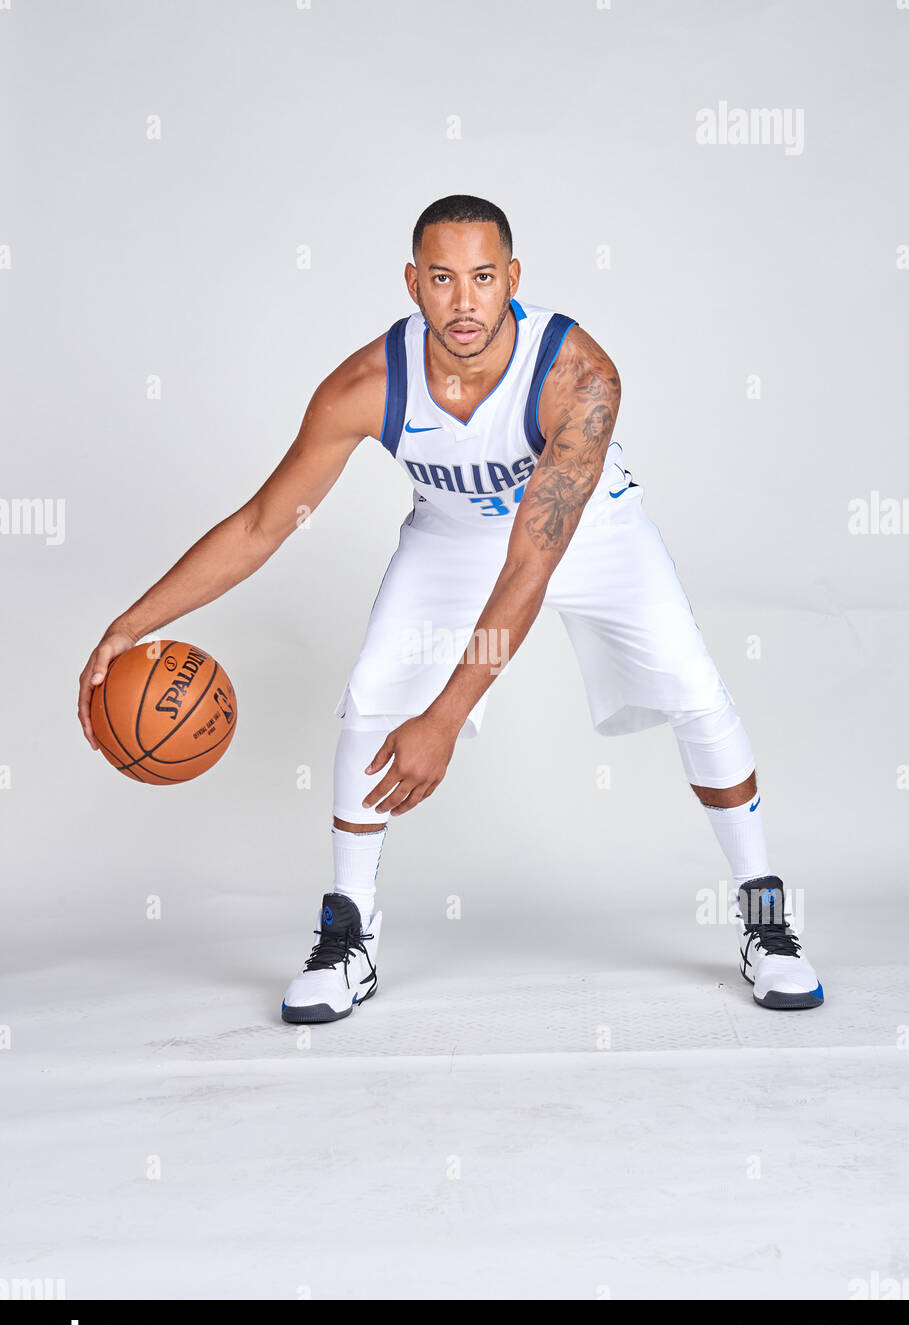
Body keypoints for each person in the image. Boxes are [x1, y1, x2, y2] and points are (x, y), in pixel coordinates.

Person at [78, 194, 823, 1025]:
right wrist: (131, 624)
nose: (462, 302)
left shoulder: (579, 377)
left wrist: (446, 716)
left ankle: (765, 916)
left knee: (693, 688)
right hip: (451, 535)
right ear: (412, 283)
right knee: (369, 699)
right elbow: (261, 525)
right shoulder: (364, 385)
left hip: (588, 527)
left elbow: (532, 564)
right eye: (441, 278)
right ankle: (346, 933)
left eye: (480, 277)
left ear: (512, 278)